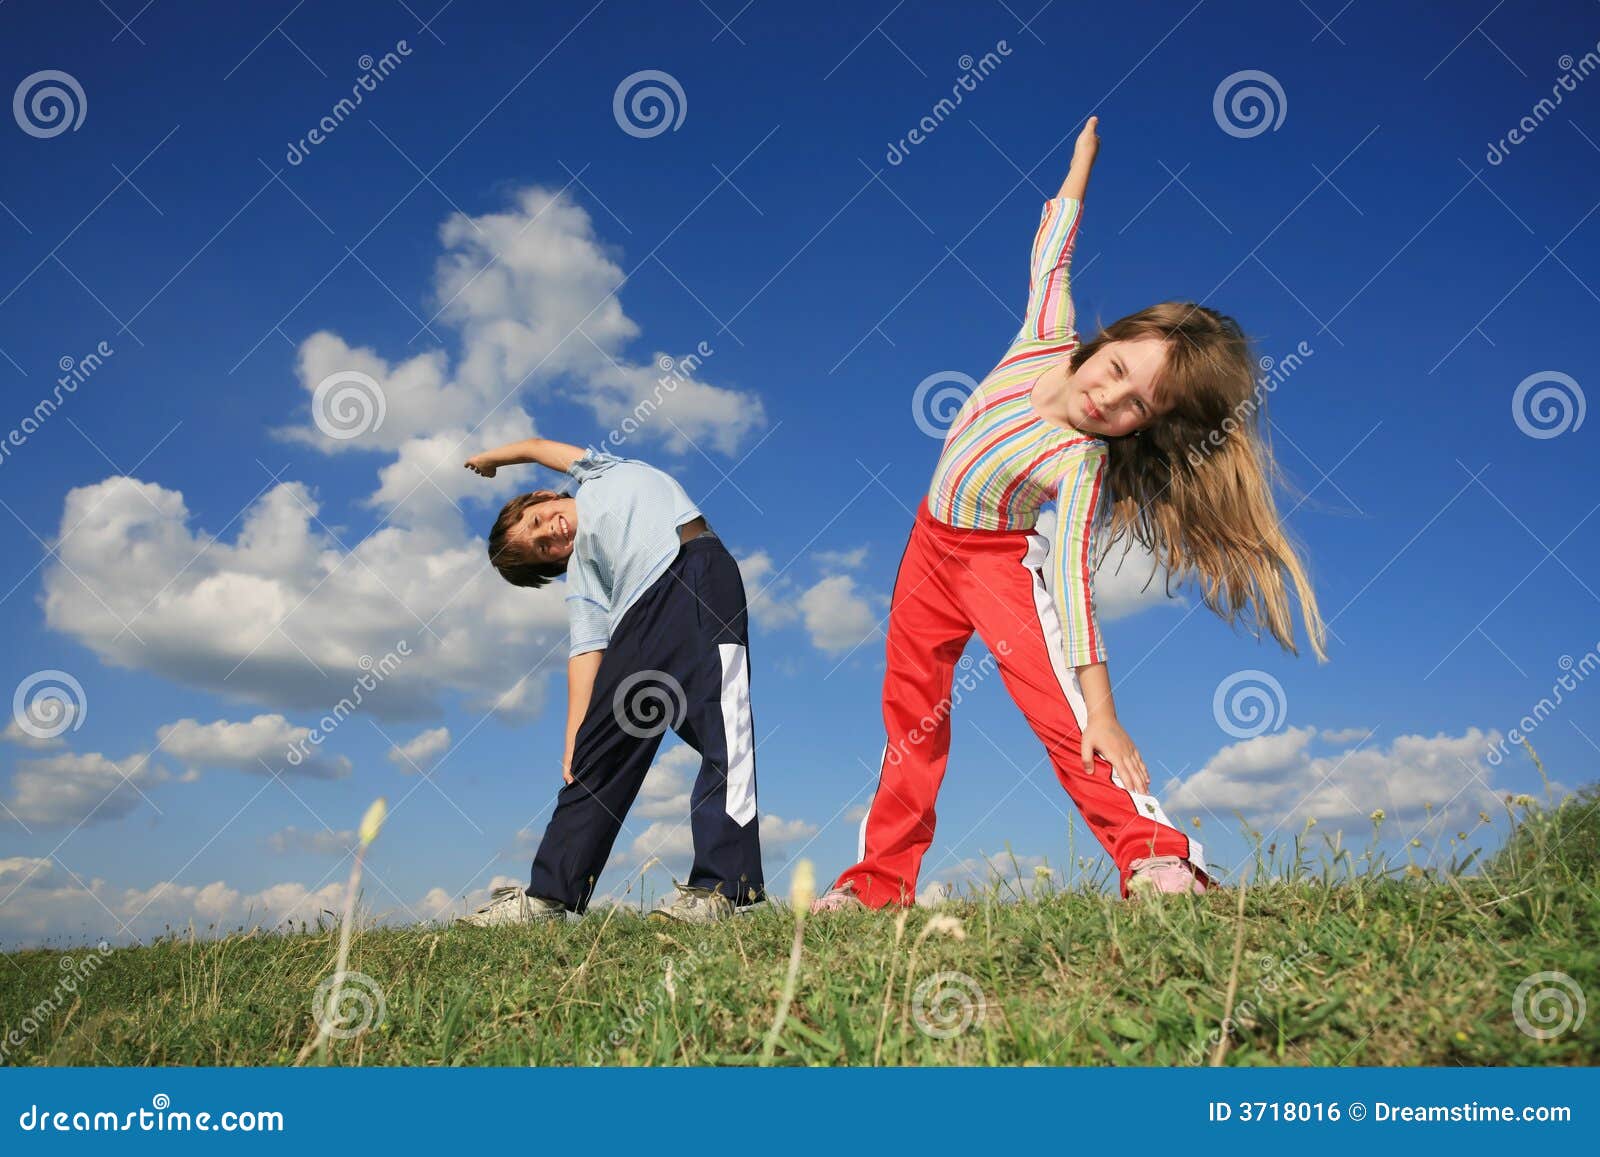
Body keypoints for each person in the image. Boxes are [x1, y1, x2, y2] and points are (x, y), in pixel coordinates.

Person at [812, 116, 1329, 911]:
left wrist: (1105, 710)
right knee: (909, 720)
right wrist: (1081, 163)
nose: (1110, 397)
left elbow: (1072, 587)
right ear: (1105, 340)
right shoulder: (1044, 338)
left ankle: (1158, 858)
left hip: (994, 565)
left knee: (1061, 714)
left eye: (1136, 407)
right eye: (1118, 369)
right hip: (926, 548)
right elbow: (1051, 247)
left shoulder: (1080, 464)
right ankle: (879, 886)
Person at [456, 438, 763, 926]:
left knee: (723, 730)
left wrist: (494, 458)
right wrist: (574, 740)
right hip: (638, 620)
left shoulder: (599, 473)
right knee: (599, 752)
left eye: (539, 522)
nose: (552, 536)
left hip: (699, 574)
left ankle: (721, 888)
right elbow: (585, 652)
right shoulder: (584, 572)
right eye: (543, 551)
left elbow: (540, 448)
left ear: (543, 497)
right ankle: (549, 896)